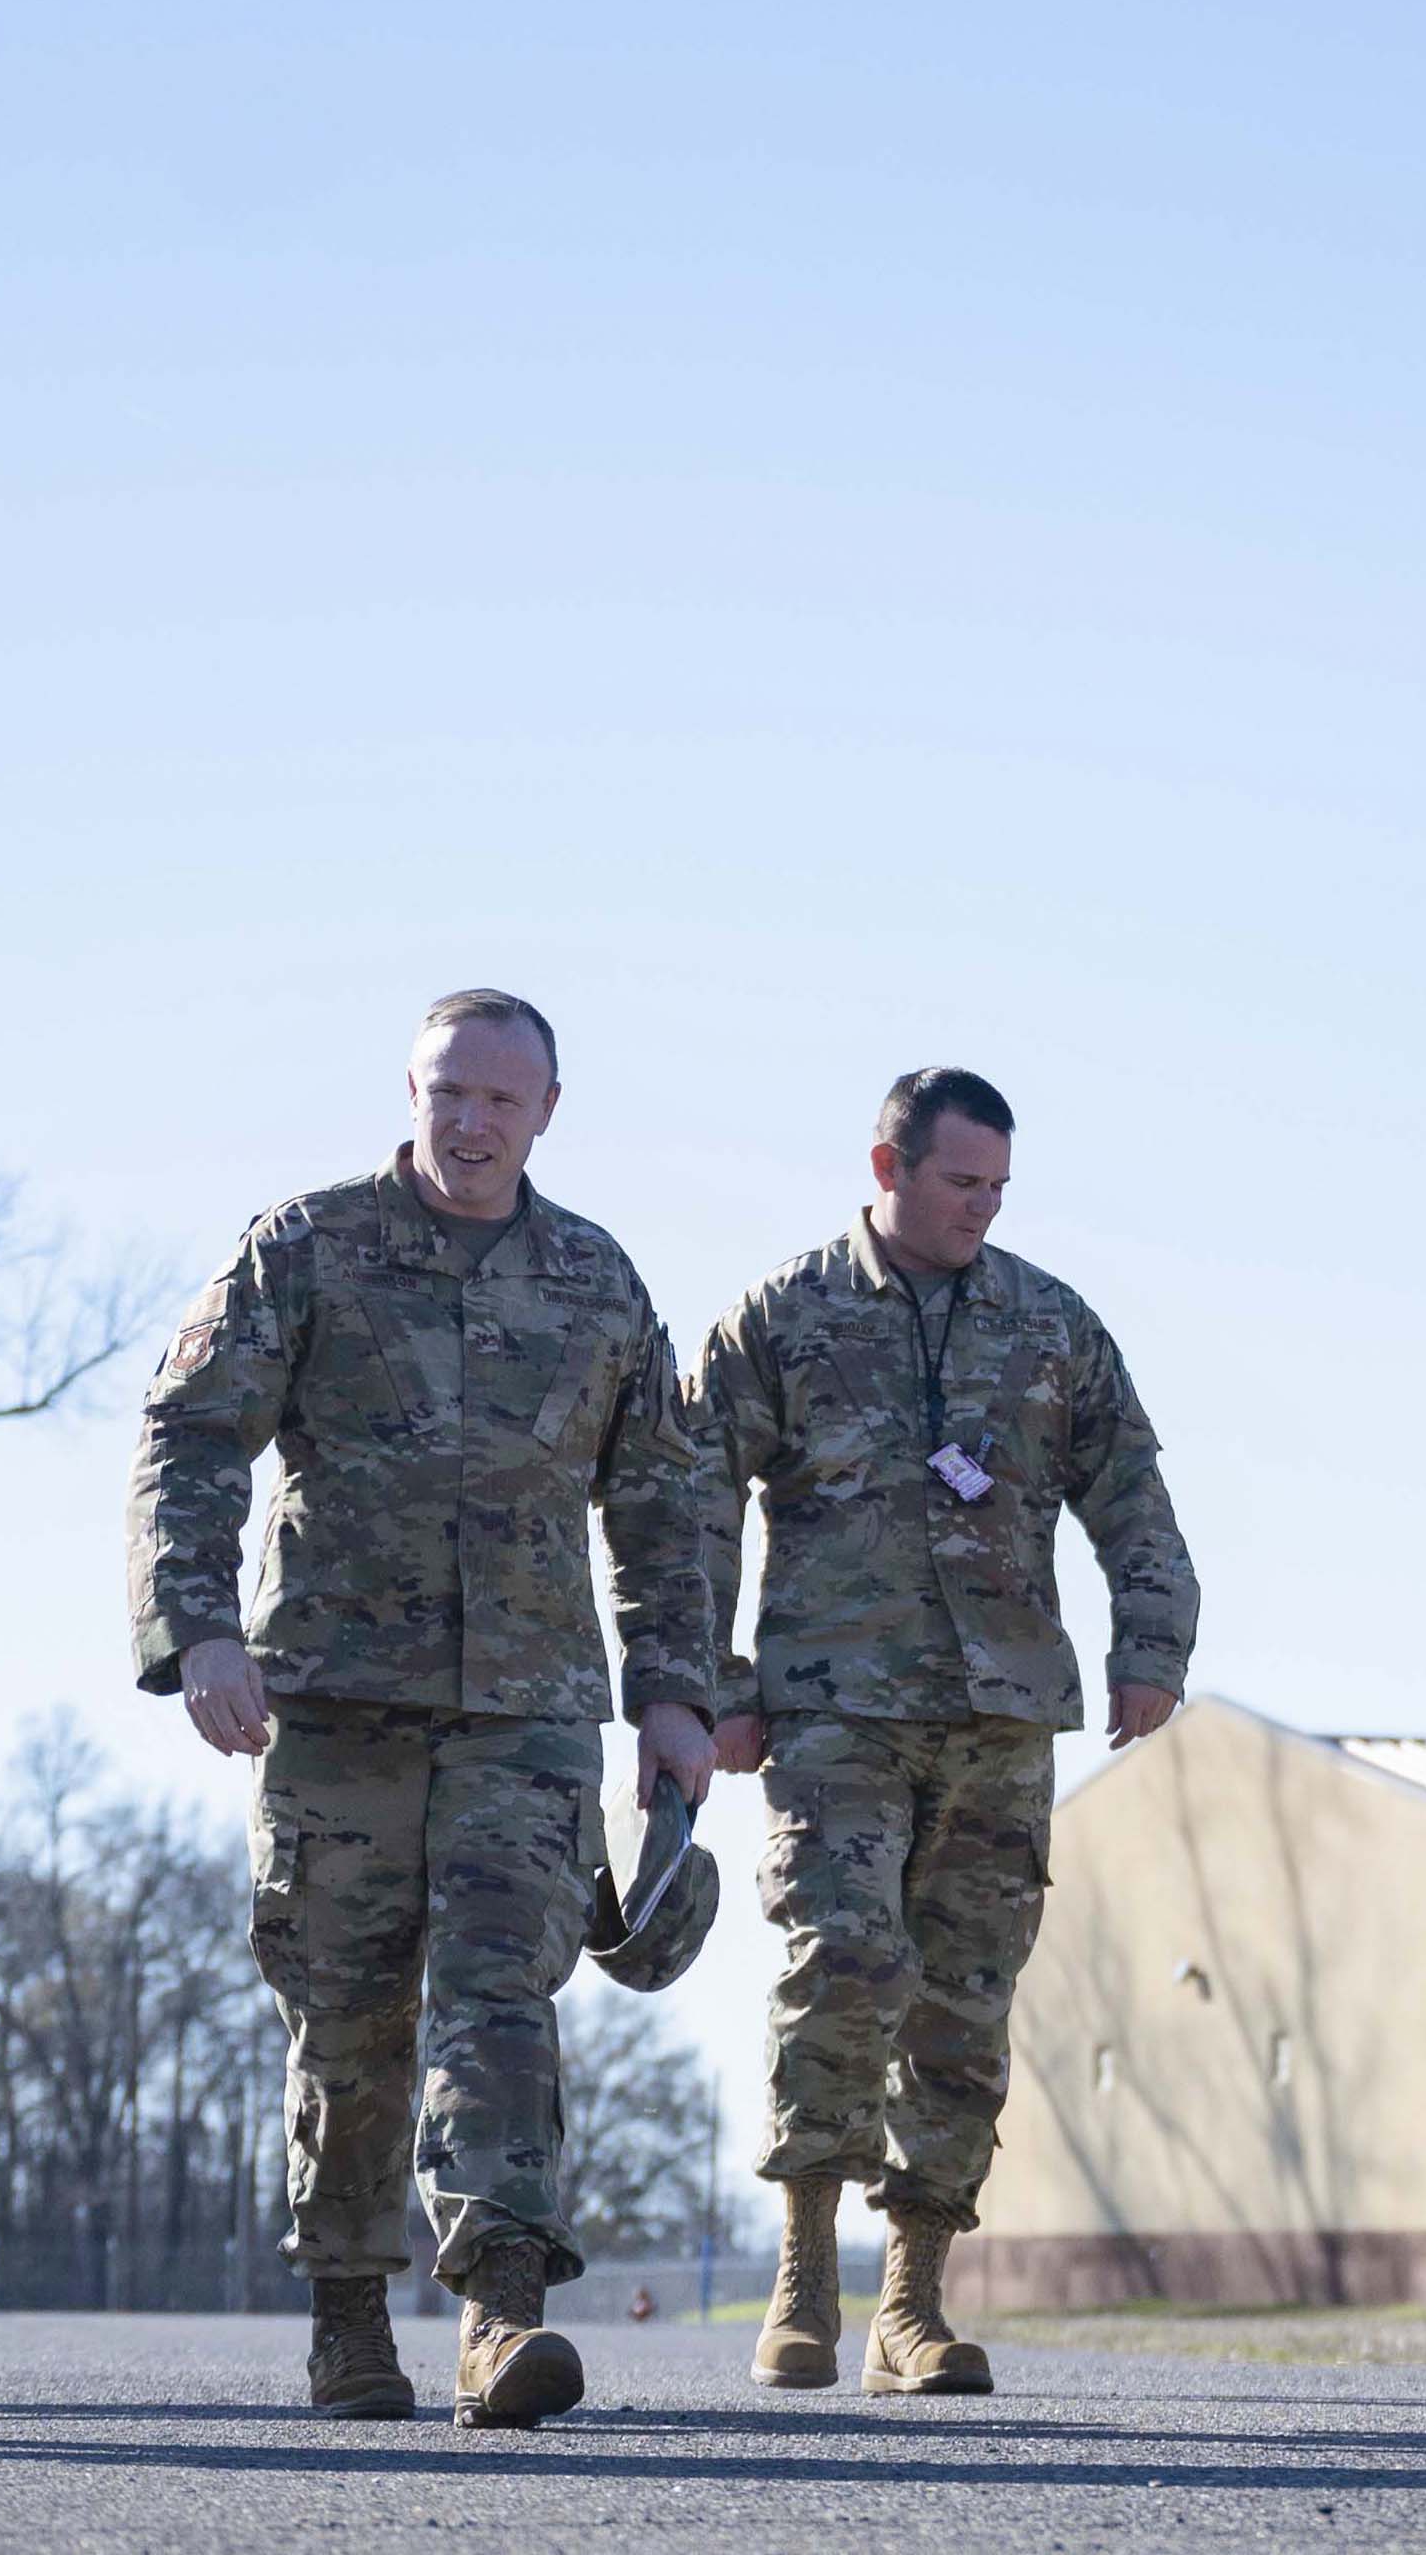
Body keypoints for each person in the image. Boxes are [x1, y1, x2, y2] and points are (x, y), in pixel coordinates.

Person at [130, 987, 715, 2433]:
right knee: (347, 2010)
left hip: (528, 1707)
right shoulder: (307, 1248)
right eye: (449, 1092)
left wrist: (676, 1693)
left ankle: (501, 2310)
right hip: (335, 1701)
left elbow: (663, 1502)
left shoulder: (596, 1280)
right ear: (411, 1092)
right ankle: (347, 2314)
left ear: (546, 1112)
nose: (471, 1121)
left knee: (501, 1992)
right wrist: (196, 1630)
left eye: (501, 1098)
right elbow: (189, 1434)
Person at [697, 1066, 1196, 2399]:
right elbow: (692, 1504)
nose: (981, 1208)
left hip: (999, 1714)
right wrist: (715, 1680)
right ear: (888, 1167)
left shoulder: (1048, 1323)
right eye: (960, 1182)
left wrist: (1150, 1646)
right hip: (834, 1709)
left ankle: (912, 2303)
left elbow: (1132, 1491)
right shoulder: (782, 1318)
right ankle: (805, 2276)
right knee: (842, 1964)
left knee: (965, 2002)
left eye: (998, 1188)